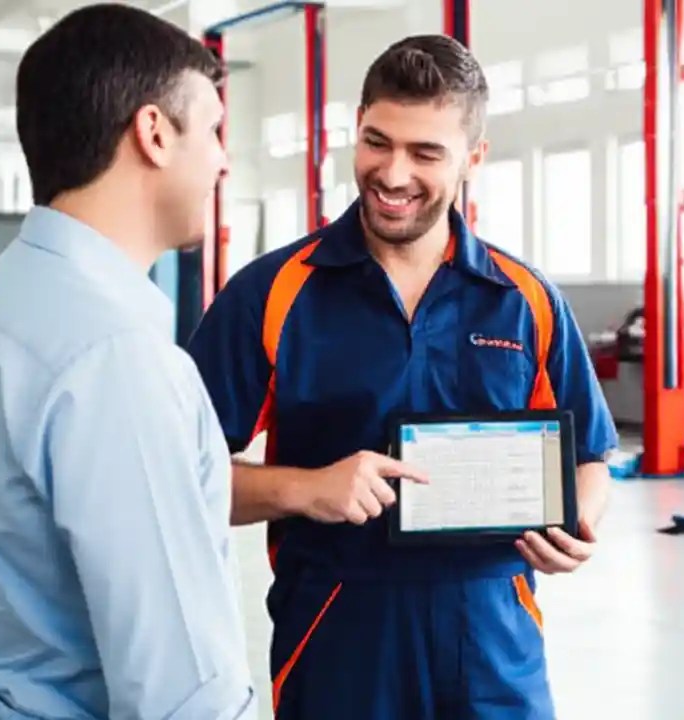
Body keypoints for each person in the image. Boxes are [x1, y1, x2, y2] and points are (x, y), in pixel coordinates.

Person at [187, 34, 619, 719]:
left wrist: (579, 521)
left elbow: (592, 456)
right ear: (356, 128)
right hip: (337, 635)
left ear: (474, 157)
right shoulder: (270, 295)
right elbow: (179, 479)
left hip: (495, 639)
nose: (392, 174)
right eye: (376, 142)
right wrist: (306, 489)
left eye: (425, 153)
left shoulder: (525, 300)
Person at [0, 5, 255, 719]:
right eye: (213, 130)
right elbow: (180, 690)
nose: (223, 160)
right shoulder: (113, 355)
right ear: (154, 133)